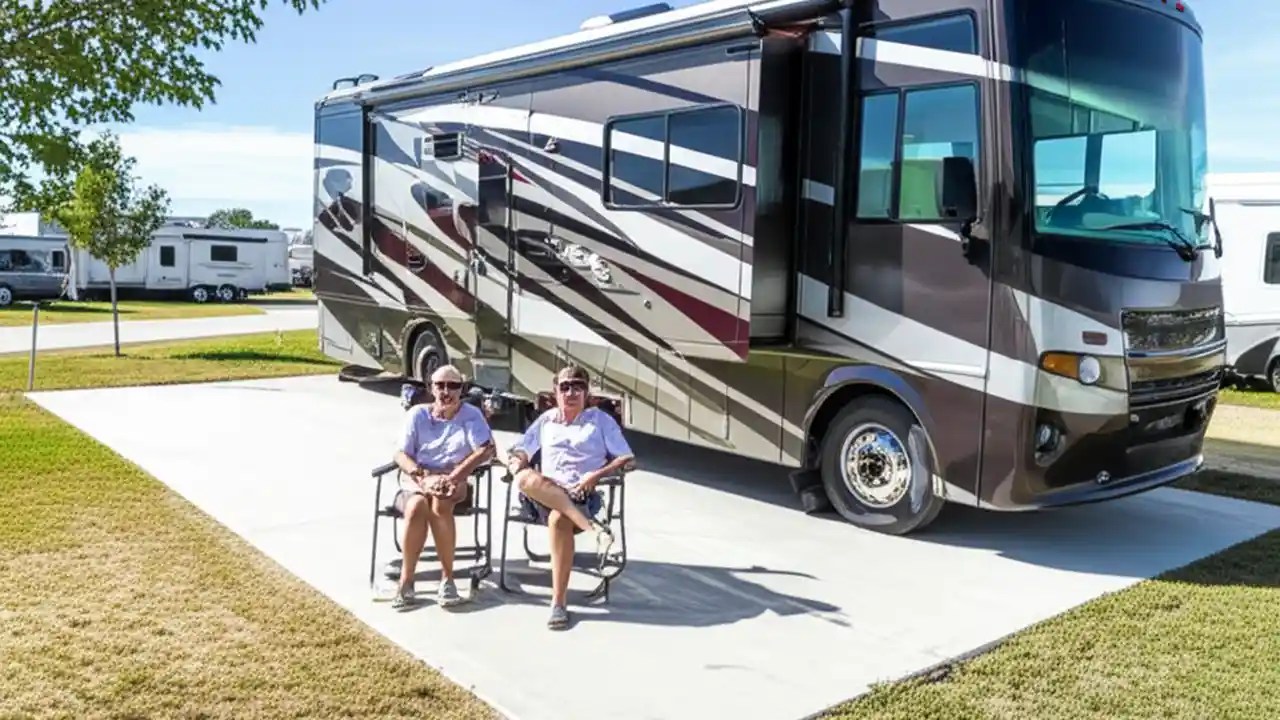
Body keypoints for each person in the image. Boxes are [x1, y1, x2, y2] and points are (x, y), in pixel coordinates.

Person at [504, 364, 636, 629]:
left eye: (578, 386)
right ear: (555, 392)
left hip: (581, 494)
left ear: (587, 392)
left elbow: (628, 459)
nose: (571, 392)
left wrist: (595, 475)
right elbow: (522, 451)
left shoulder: (600, 421)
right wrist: (516, 459)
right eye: (565, 386)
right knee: (524, 477)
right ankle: (595, 531)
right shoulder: (546, 420)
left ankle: (558, 602)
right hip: (543, 493)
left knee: (558, 520)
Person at [390, 364, 494, 610]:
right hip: (419, 478)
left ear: (462, 390)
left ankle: (447, 579)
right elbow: (400, 454)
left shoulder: (470, 415)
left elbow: (485, 449)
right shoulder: (417, 414)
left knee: (440, 503)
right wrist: (422, 477)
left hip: (455, 480)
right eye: (440, 385)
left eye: (453, 386)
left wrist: (452, 477)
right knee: (416, 507)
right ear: (431, 388)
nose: (447, 391)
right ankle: (406, 580)